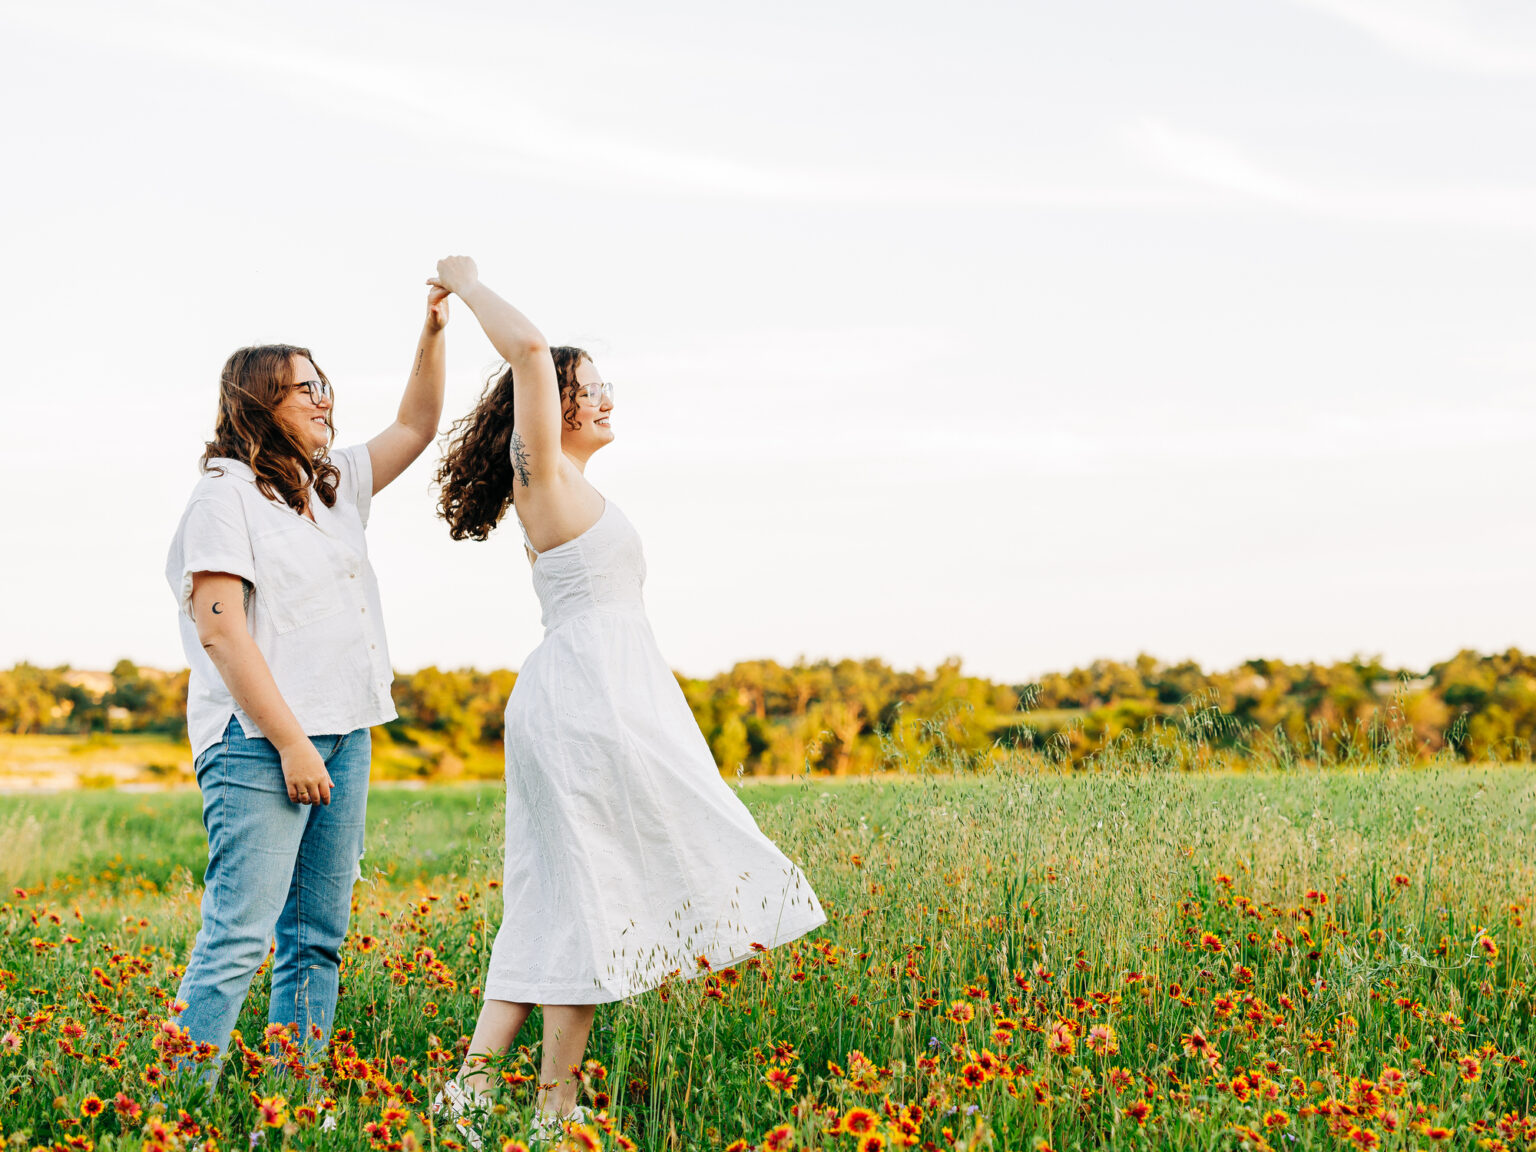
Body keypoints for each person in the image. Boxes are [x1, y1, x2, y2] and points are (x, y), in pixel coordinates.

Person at [429, 256, 825, 1138]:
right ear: (551, 407)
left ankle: (471, 1094)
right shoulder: (547, 481)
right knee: (587, 899)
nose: (607, 400)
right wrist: (465, 281)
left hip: (597, 696)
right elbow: (530, 348)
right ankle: (548, 1109)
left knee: (559, 898)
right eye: (591, 388)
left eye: (608, 387)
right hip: (583, 704)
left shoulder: (577, 486)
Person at [163, 285, 449, 1079]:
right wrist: (292, 743)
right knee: (239, 937)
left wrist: (430, 329)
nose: (326, 399)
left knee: (315, 935)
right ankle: (167, 1113)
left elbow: (418, 425)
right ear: (260, 403)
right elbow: (221, 627)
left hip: (343, 731)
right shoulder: (224, 496)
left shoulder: (331, 485)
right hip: (260, 744)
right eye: (306, 387)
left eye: (327, 383)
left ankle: (291, 1104)